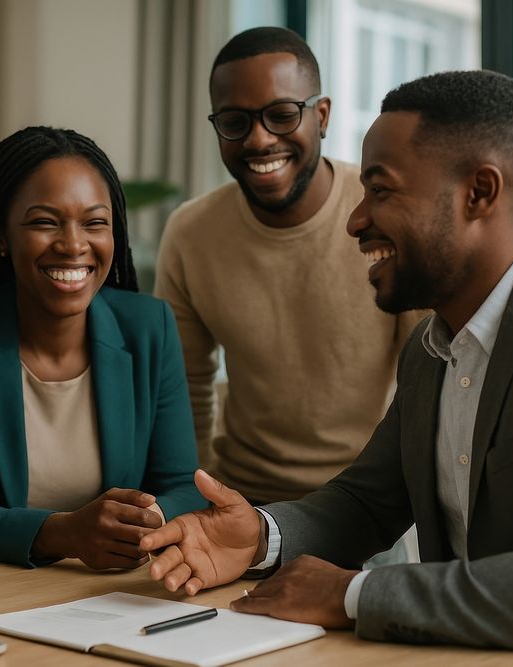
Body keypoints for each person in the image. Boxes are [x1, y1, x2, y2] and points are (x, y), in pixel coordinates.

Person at [141, 69, 513, 652]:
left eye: (382, 190)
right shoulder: (432, 349)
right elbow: (366, 504)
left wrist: (351, 594)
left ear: (479, 193)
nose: (355, 219)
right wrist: (259, 537)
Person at [0, 126, 206, 570]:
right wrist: (64, 533)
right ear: (2, 236)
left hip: (110, 593)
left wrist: (146, 521)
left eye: (94, 223)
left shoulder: (148, 326)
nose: (74, 245)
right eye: (45, 222)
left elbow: (183, 484)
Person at [155, 27, 425, 504]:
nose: (259, 140)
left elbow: (425, 382)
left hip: (365, 504)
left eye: (281, 116)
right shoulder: (190, 232)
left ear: (321, 116)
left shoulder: (383, 218)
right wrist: (196, 500)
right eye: (235, 122)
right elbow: (185, 383)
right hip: (240, 501)